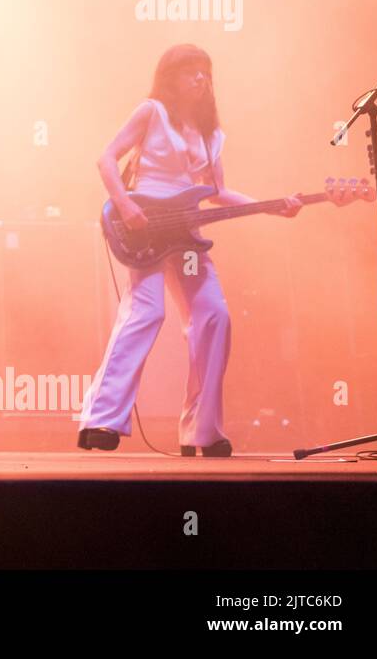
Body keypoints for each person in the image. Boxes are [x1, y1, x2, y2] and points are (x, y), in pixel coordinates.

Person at [77, 45, 301, 457]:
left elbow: (217, 193)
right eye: (191, 72)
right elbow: (106, 158)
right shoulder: (152, 112)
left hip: (187, 236)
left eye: (205, 73)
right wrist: (126, 206)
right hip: (144, 227)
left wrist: (273, 206)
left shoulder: (212, 134)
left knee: (214, 314)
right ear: (171, 77)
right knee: (146, 310)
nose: (201, 79)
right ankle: (102, 420)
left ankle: (203, 430)